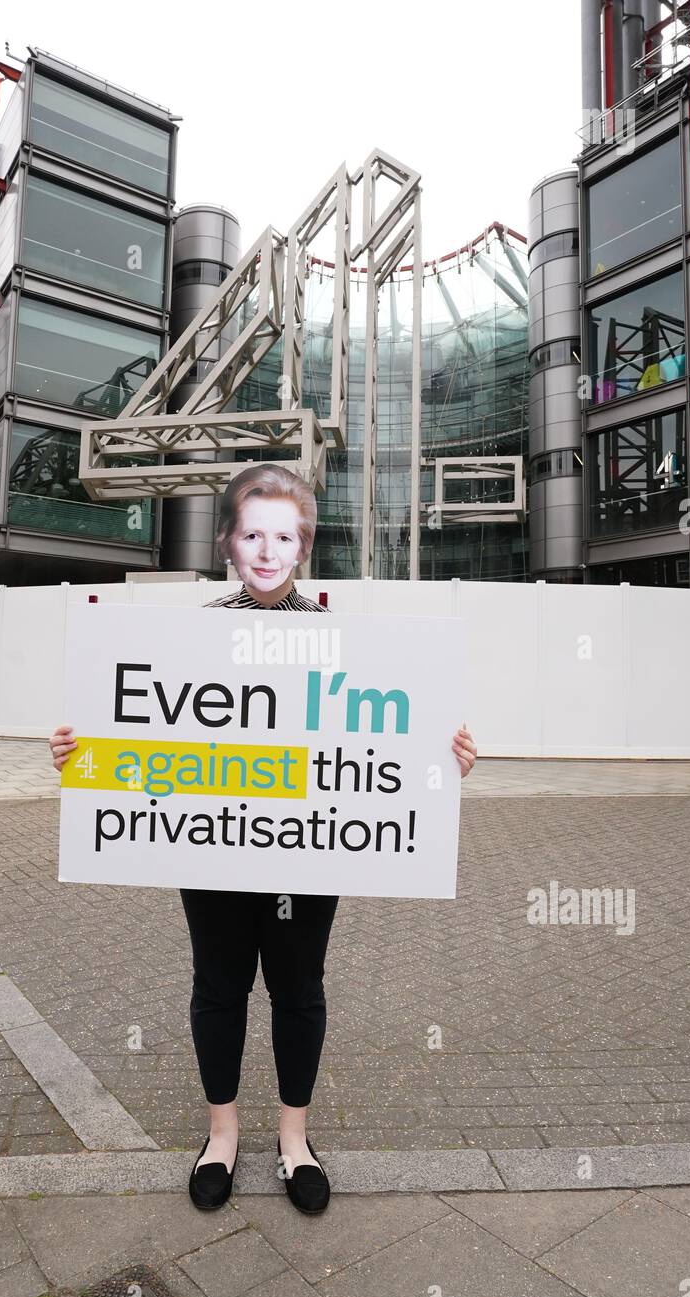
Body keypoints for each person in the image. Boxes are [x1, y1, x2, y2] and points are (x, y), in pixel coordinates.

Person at [49, 463, 478, 1215]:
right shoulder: (191, 637)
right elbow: (141, 729)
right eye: (253, 533)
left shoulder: (347, 645)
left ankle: (294, 1140)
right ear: (227, 541)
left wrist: (447, 759)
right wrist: (81, 753)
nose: (268, 550)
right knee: (218, 988)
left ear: (304, 544)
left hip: (306, 853)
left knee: (297, 989)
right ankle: (221, 1136)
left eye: (284, 535)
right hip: (210, 846)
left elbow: (393, 746)